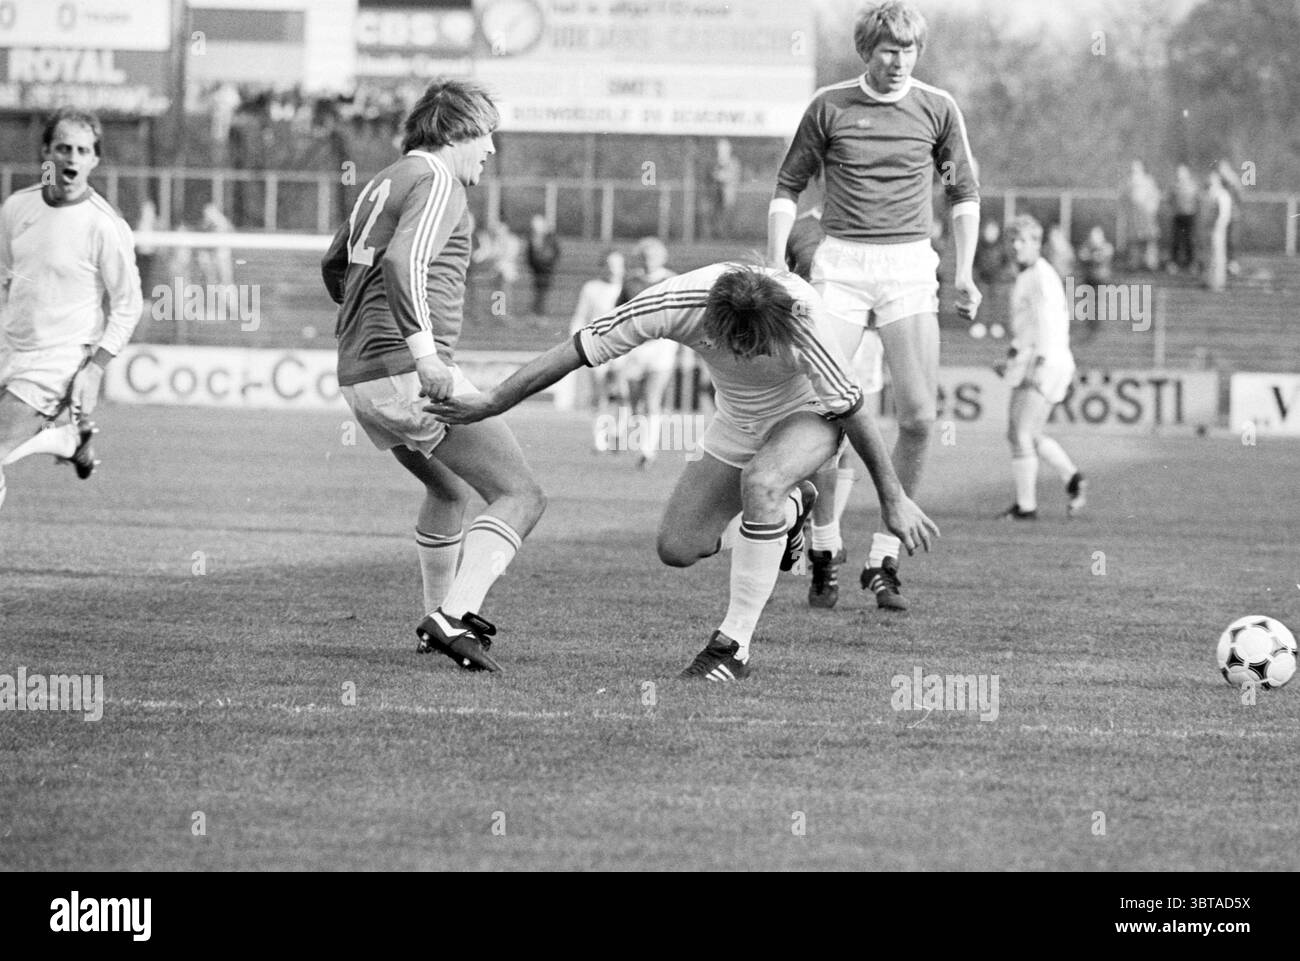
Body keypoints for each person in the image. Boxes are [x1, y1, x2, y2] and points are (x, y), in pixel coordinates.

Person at [425, 263, 938, 680]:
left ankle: (733, 645)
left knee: (762, 482)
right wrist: (493, 400)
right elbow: (576, 350)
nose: (757, 353)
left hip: (812, 416)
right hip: (737, 422)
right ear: (715, 327)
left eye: (764, 343)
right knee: (676, 548)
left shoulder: (801, 315)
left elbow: (853, 409)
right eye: (746, 345)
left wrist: (892, 497)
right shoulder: (674, 302)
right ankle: (791, 511)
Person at [321, 78, 546, 673]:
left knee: (448, 490)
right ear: (454, 131)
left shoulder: (384, 179)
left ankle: (433, 623)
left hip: (360, 373)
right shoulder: (438, 179)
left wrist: (363, 328)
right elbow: (403, 261)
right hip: (407, 369)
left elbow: (335, 263)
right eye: (486, 135)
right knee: (521, 494)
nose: (491, 151)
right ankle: (452, 617)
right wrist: (423, 354)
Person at [766, 0, 980, 612]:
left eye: (909, 50)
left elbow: (963, 192)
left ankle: (883, 558)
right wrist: (777, 258)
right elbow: (788, 186)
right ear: (867, 51)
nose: (899, 61)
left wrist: (963, 271)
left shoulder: (938, 107)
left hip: (910, 267)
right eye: (889, 50)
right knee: (827, 415)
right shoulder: (830, 105)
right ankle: (824, 547)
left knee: (917, 415)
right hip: (841, 267)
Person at [0, 107, 143, 513]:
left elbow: (128, 304)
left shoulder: (104, 226)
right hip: (10, 350)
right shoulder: (16, 209)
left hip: (58, 361)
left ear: (94, 159)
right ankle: (66, 439)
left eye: (82, 150)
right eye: (63, 148)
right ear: (46, 152)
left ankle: (64, 436)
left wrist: (95, 368)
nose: (72, 158)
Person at [995, 216, 1086, 520]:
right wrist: (1012, 357)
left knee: (1019, 432)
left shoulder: (1039, 275)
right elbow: (1029, 327)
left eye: (1023, 240)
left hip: (1046, 361)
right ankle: (1072, 477)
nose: (1016, 246)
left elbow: (1049, 322)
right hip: (1047, 359)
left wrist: (1039, 363)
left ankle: (1026, 506)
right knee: (1029, 433)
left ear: (1037, 243)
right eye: (1013, 240)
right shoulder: (1031, 274)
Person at [614, 237, 680, 467]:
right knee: (633, 402)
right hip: (635, 348)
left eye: (653, 256)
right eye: (644, 256)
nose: (648, 260)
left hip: (662, 347)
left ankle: (647, 451)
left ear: (662, 258)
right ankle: (629, 435)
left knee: (652, 399)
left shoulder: (672, 280)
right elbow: (618, 313)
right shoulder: (631, 281)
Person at [569, 248, 627, 451]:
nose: (613, 270)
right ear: (603, 267)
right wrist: (575, 342)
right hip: (598, 348)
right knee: (600, 394)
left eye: (617, 265)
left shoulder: (629, 288)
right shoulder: (591, 288)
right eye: (610, 265)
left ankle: (619, 433)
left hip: (624, 350)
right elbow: (580, 316)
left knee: (622, 392)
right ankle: (600, 438)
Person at [972, 219, 1010, 339]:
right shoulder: (979, 246)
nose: (991, 233)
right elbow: (975, 261)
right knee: (981, 302)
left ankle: (996, 325)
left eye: (994, 230)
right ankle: (981, 324)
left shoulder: (1001, 246)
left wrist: (1001, 274)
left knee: (997, 302)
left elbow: (1005, 262)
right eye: (989, 230)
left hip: (997, 279)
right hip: (982, 278)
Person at [1075, 225, 1115, 341]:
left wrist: (1091, 257)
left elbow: (1100, 258)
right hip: (1088, 280)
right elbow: (1082, 256)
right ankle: (1090, 328)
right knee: (1088, 306)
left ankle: (1096, 329)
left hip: (1100, 281)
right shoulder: (1087, 247)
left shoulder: (1106, 247)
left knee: (1097, 305)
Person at [1120, 160, 1160, 272]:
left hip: (1147, 215)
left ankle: (1151, 264)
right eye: (1132, 169)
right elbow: (1123, 199)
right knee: (1134, 241)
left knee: (1150, 240)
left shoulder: (1148, 181)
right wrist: (1126, 211)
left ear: (1142, 169)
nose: (1134, 171)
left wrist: (1151, 209)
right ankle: (1134, 263)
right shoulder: (1128, 182)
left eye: (1136, 169)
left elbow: (1155, 196)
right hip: (1134, 216)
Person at [1199, 168, 1232, 293]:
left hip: (1216, 230)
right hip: (1205, 228)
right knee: (1206, 255)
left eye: (1213, 179)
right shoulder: (1207, 194)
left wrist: (1217, 227)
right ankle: (1207, 280)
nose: (1210, 181)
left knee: (1217, 256)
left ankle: (1217, 282)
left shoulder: (1222, 194)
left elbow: (1223, 214)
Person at [525, 213, 561, 315]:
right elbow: (529, 255)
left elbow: (554, 253)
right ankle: (536, 312)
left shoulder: (549, 239)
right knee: (539, 292)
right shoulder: (534, 238)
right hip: (537, 269)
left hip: (546, 269)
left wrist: (547, 264)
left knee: (542, 292)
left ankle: (539, 313)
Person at [708, 138, 742, 240]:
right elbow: (713, 175)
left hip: (728, 194)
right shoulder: (715, 162)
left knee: (728, 214)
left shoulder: (734, 162)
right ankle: (716, 235)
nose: (720, 150)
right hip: (716, 194)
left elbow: (732, 176)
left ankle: (728, 235)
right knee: (716, 215)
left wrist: (721, 176)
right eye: (719, 148)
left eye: (723, 148)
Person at [1168, 164, 1198, 273]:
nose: (1180, 175)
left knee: (1189, 240)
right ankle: (1174, 263)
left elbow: (1197, 200)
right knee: (1176, 240)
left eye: (1182, 172)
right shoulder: (1173, 186)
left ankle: (1191, 263)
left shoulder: (1192, 185)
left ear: (1187, 174)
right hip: (1177, 216)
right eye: (1178, 173)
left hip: (1189, 216)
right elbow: (1170, 199)